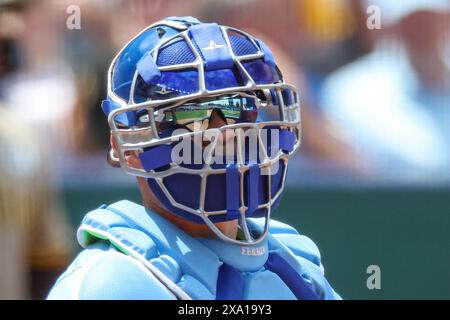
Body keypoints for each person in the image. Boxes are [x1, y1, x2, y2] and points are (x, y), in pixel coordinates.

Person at [47, 16, 341, 300]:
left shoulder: (296, 266)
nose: (225, 133)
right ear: (129, 146)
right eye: (192, 115)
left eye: (236, 108)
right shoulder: (114, 284)